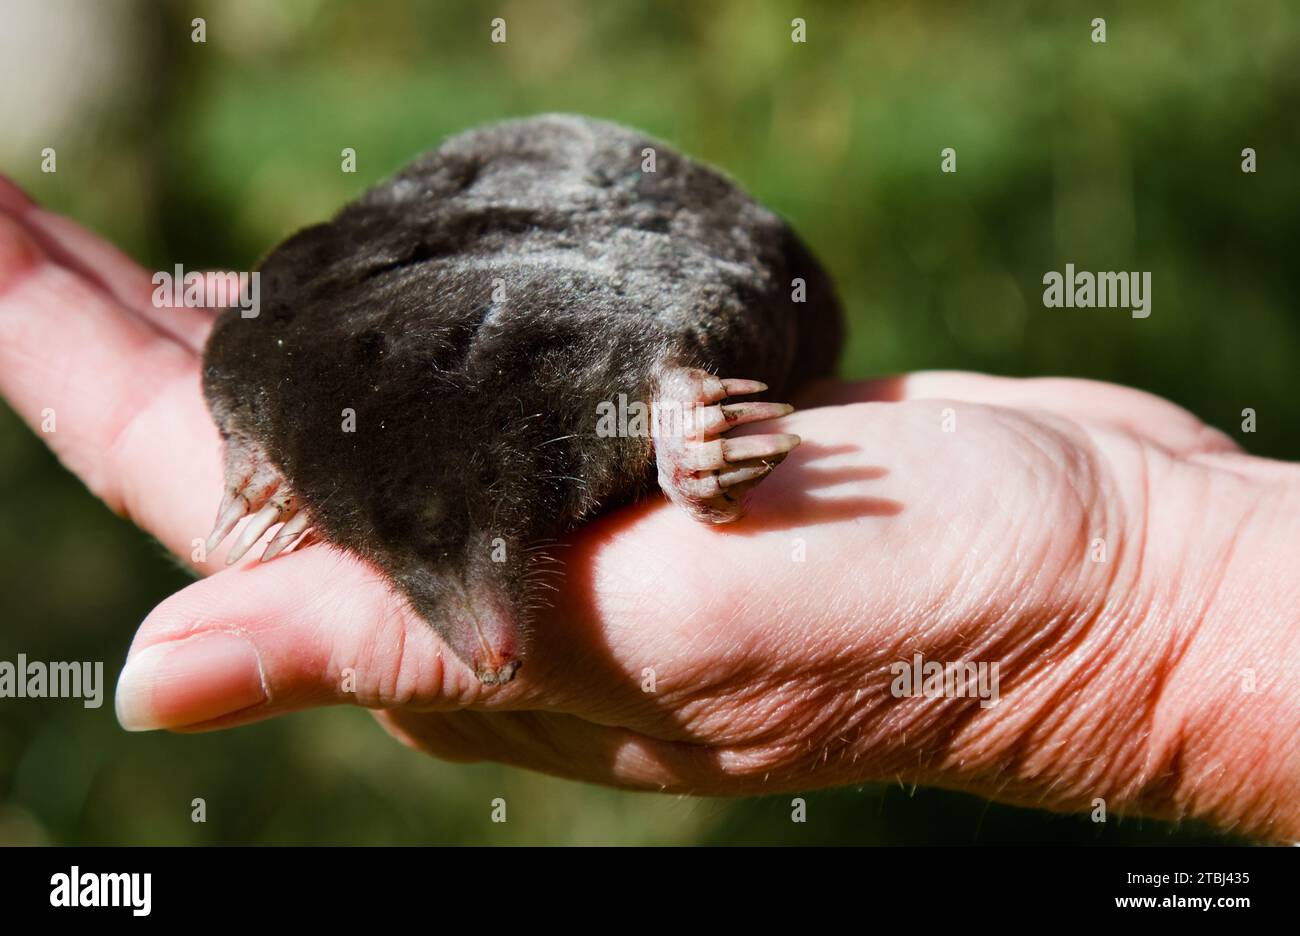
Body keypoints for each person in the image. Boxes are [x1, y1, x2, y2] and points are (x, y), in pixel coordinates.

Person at [0, 177, 1294, 842]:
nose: (490, 645)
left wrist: (1147, 622)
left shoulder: (635, 359)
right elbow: (258, 374)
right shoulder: (280, 373)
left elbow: (655, 326)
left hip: (633, 238)